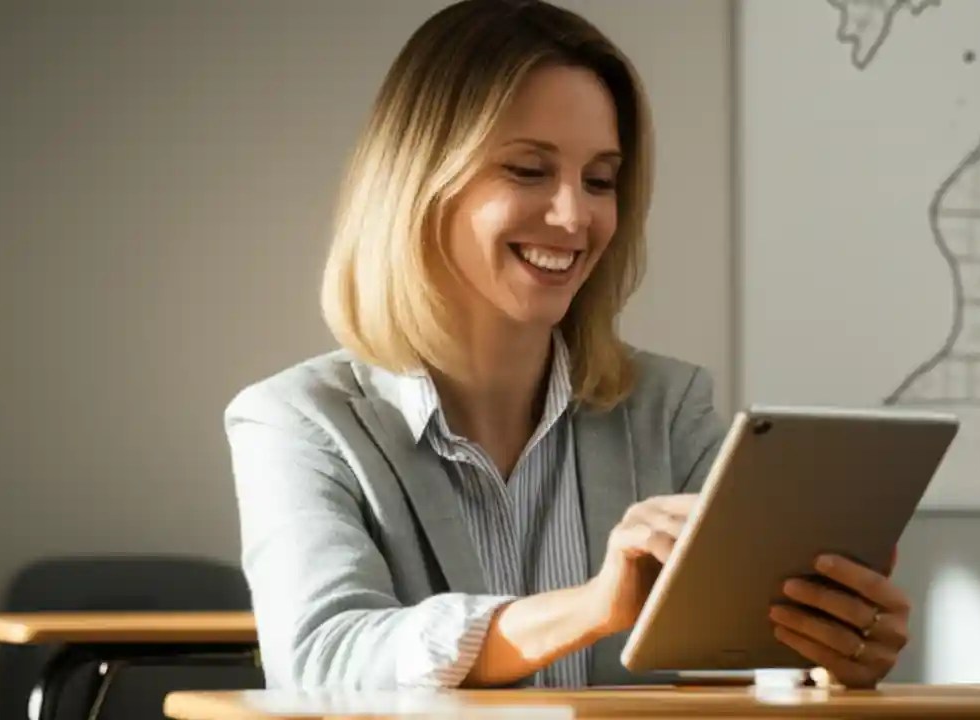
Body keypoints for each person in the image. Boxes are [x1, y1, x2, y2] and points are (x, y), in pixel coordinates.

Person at [225, 0, 911, 691]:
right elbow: (320, 656)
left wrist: (826, 653)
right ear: (423, 182)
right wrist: (589, 608)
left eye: (600, 181)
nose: (574, 215)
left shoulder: (669, 411)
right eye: (529, 170)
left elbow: (754, 661)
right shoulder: (298, 422)